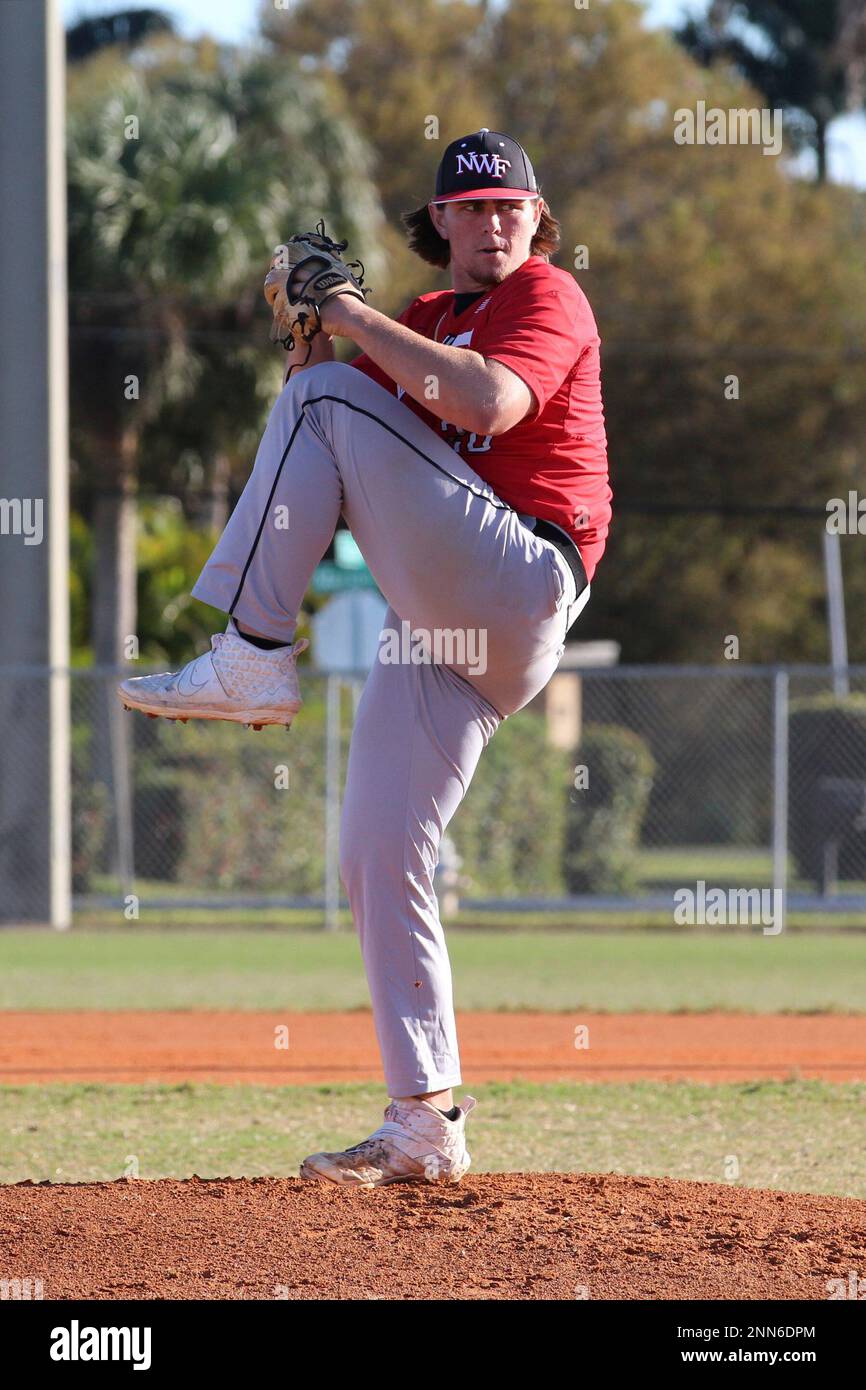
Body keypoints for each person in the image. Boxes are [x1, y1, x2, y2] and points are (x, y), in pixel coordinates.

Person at [118, 129, 612, 1188]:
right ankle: (423, 1119)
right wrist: (307, 334)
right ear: (437, 223)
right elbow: (323, 431)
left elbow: (484, 405)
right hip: (441, 617)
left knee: (329, 397)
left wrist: (340, 317)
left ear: (537, 218)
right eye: (470, 208)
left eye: (508, 206)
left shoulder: (548, 299)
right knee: (375, 848)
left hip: (520, 576)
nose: (491, 223)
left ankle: (252, 653)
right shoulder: (421, 320)